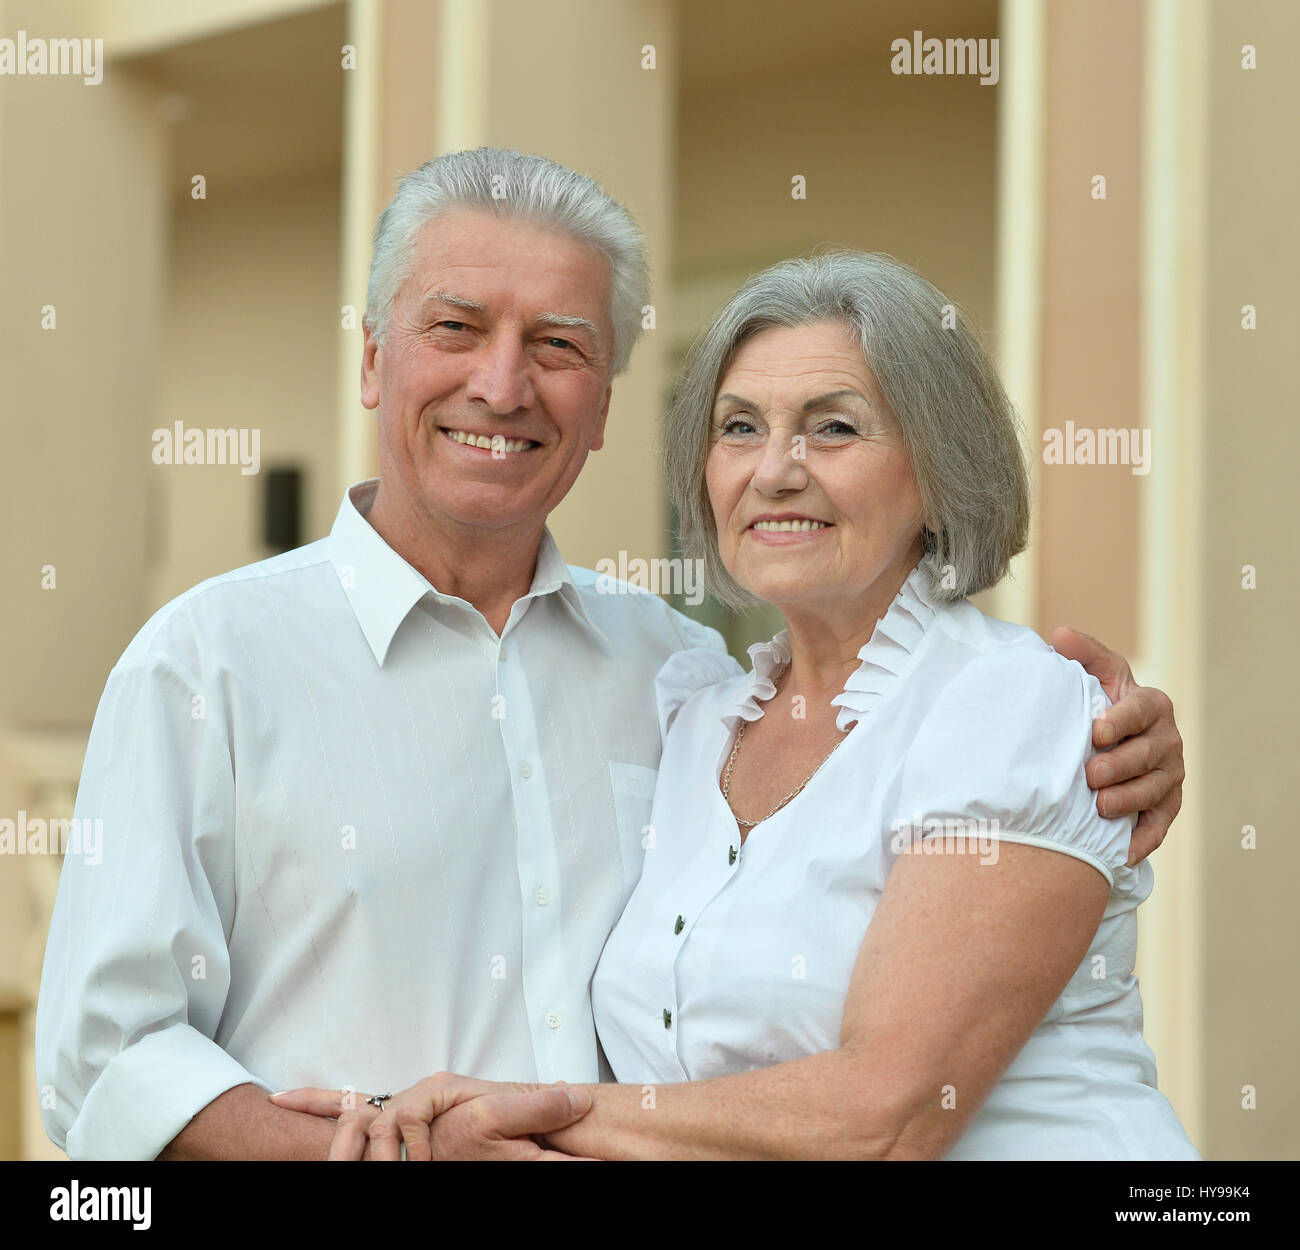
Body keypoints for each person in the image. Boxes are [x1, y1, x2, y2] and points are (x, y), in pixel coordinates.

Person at [37, 149, 1184, 1160]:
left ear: (600, 410)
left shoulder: (672, 671)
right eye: (455, 326)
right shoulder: (207, 662)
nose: (501, 383)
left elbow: (882, 1092)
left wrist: (1113, 743)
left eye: (558, 345)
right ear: (375, 361)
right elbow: (111, 1053)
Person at [289, 251, 1197, 1160]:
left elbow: (884, 1120)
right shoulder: (690, 714)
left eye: (834, 428)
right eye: (739, 428)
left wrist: (518, 1116)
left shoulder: (1011, 703)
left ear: (937, 468)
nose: (775, 471)